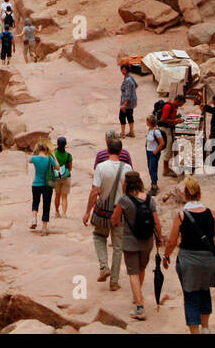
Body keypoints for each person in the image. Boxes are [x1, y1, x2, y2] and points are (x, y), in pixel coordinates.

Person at [162, 176, 215, 334]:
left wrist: (166, 256)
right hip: (208, 260)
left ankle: (195, 332)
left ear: (185, 194)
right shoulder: (211, 213)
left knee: (190, 296)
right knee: (204, 291)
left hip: (188, 260)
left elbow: (172, 241)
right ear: (199, 193)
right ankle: (206, 328)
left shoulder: (181, 215)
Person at [111, 171, 162, 321]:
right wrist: (159, 238)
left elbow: (114, 219)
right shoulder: (149, 200)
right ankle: (137, 295)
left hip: (130, 242)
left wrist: (116, 223)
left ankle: (140, 308)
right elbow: (157, 222)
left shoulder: (124, 201)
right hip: (147, 241)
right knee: (141, 268)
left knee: (132, 272)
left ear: (126, 184)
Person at [84, 138, 128, 290]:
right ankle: (114, 282)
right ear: (121, 152)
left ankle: (104, 266)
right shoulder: (127, 168)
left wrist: (87, 212)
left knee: (99, 236)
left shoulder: (101, 168)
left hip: (103, 211)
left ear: (108, 150)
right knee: (118, 247)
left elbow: (95, 191)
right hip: (120, 211)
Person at [28, 141, 57, 234]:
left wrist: (34, 151)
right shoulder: (49, 159)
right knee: (46, 205)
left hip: (36, 184)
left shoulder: (35, 158)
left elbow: (29, 160)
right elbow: (58, 167)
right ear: (46, 149)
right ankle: (44, 228)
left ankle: (34, 219)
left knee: (35, 202)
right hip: (47, 185)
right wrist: (53, 155)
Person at [158, 93, 183, 177]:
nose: (180, 106)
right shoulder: (168, 106)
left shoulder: (174, 107)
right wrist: (175, 121)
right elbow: (163, 119)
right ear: (177, 101)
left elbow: (170, 116)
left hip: (170, 129)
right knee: (168, 149)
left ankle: (168, 167)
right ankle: (165, 170)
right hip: (166, 130)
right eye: (180, 104)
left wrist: (176, 117)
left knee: (172, 147)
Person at [52, 135, 74, 218]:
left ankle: (57, 211)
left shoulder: (54, 154)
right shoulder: (69, 156)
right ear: (65, 144)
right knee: (64, 196)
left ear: (57, 144)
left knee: (57, 195)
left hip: (56, 177)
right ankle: (64, 213)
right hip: (66, 176)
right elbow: (70, 167)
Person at [144, 115, 165, 195]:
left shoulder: (156, 131)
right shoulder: (150, 129)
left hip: (153, 152)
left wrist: (156, 151)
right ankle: (153, 183)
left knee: (153, 169)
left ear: (150, 122)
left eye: (147, 121)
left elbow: (162, 143)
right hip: (149, 151)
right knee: (150, 168)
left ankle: (154, 186)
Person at [118, 63, 138, 138]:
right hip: (132, 101)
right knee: (130, 116)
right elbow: (136, 85)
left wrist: (125, 104)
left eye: (124, 70)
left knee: (122, 116)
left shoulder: (128, 80)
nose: (122, 71)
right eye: (122, 70)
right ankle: (131, 132)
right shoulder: (130, 77)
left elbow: (128, 93)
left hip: (127, 102)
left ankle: (123, 133)